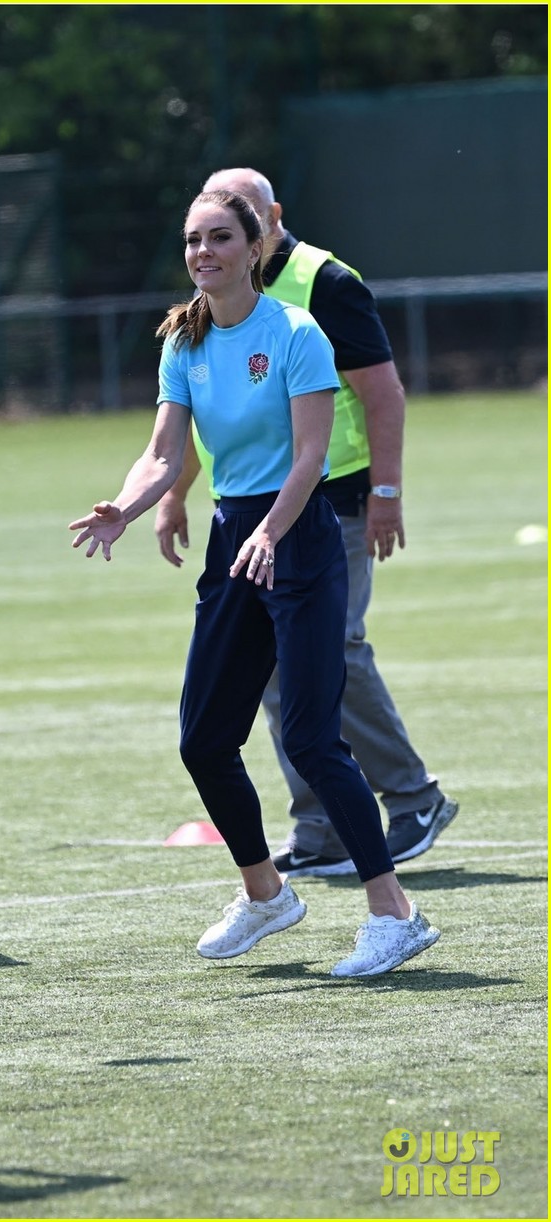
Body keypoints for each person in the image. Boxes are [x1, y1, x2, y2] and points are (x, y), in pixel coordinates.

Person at [69, 189, 440, 978]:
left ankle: (393, 913)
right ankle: (265, 894)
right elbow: (164, 452)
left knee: (310, 737)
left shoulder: (296, 331)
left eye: (218, 238)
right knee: (204, 738)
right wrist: (126, 508)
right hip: (235, 539)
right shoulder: (183, 338)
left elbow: (309, 455)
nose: (202, 252)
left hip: (297, 537)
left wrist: (272, 530)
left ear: (252, 248)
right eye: (191, 240)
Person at [155, 167, 457, 876]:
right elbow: (213, 415)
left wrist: (385, 489)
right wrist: (171, 491)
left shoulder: (324, 286)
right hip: (247, 511)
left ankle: (412, 798)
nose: (211, 246)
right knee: (267, 674)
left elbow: (381, 394)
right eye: (196, 234)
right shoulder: (200, 319)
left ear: (266, 223)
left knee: (332, 651)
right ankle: (317, 826)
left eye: (229, 228)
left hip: (330, 501)